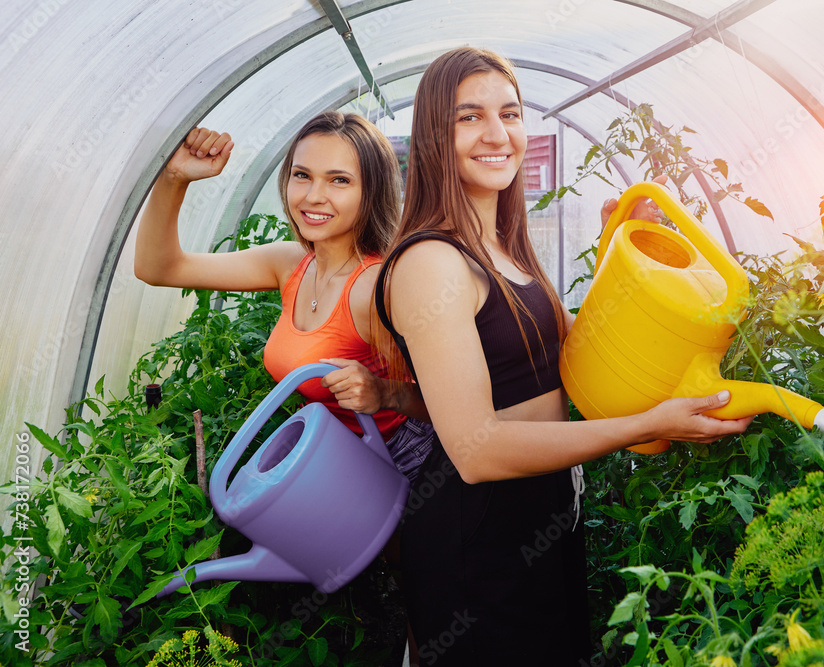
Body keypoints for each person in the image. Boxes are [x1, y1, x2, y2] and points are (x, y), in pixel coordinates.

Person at [374, 47, 753, 665]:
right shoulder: (431, 263)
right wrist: (647, 425)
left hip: (541, 517)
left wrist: (619, 256)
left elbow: (563, 351)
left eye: (511, 113)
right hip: (478, 539)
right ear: (435, 136)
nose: (498, 134)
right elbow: (476, 451)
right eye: (469, 117)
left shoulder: (507, 248)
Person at [134, 112, 432, 480]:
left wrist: (386, 393)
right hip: (333, 455)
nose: (313, 196)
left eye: (339, 180)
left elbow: (457, 404)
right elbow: (158, 267)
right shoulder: (291, 262)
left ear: (372, 191)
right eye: (302, 175)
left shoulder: (375, 286)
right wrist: (174, 178)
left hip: (399, 461)